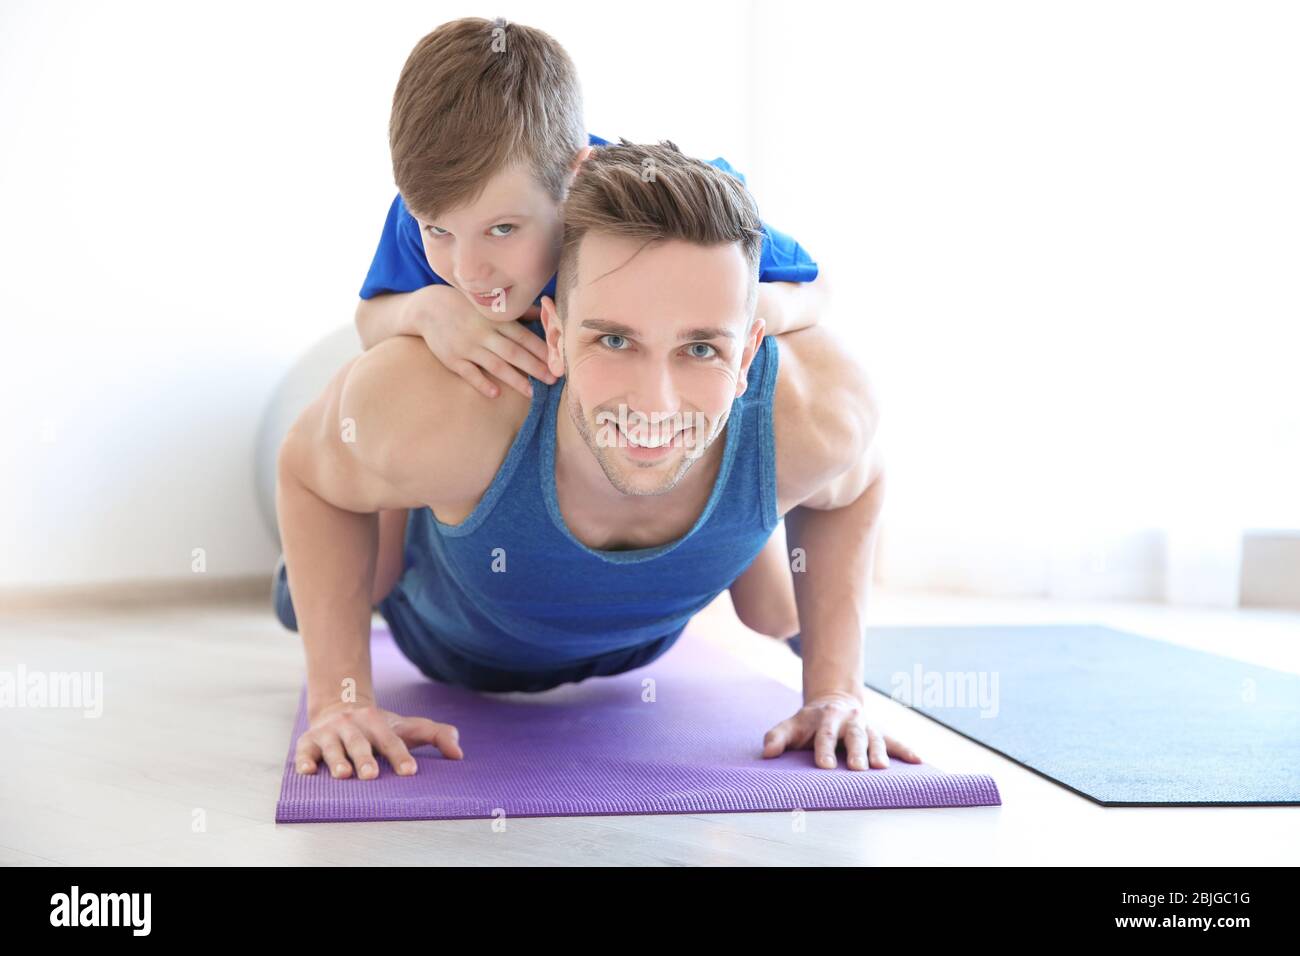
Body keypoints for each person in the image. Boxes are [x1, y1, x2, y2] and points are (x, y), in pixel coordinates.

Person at [275, 141, 921, 782]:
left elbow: (859, 486)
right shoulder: (440, 403)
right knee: (339, 575)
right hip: (451, 634)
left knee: (775, 610)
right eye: (615, 340)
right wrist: (340, 698)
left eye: (700, 348)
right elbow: (307, 474)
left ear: (750, 349)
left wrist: (836, 690)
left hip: (641, 636)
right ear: (553, 333)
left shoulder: (821, 403)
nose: (654, 400)